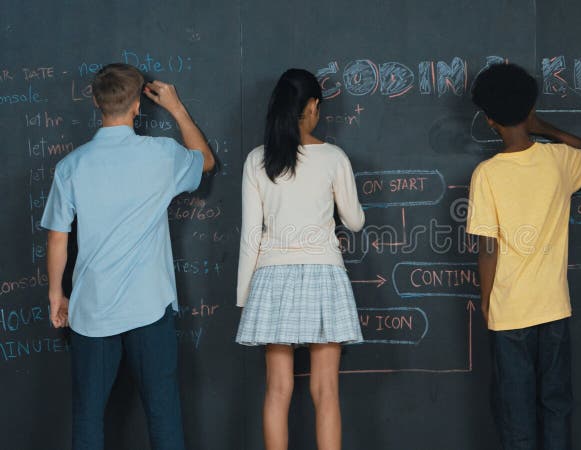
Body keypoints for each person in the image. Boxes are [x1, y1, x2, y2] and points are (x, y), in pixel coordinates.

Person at [42, 63, 215, 450]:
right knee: (163, 413)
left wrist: (56, 293)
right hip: (148, 307)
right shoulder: (161, 155)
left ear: (94, 102)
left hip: (92, 309)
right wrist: (177, 108)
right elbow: (205, 161)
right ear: (138, 105)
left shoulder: (71, 166)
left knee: (88, 415)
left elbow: (57, 237)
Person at [466, 63, 581, 450]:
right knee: (556, 405)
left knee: (516, 410)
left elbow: (488, 247)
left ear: (489, 118)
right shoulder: (559, 161)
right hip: (554, 308)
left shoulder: (487, 174)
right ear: (530, 108)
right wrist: (545, 128)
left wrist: (485, 300)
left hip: (510, 311)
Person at [236, 68, 364, 450]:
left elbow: (249, 235)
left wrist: (246, 299)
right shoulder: (334, 157)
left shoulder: (258, 160)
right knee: (326, 390)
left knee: (277, 390)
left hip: (272, 278)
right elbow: (355, 222)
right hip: (324, 273)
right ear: (312, 106)